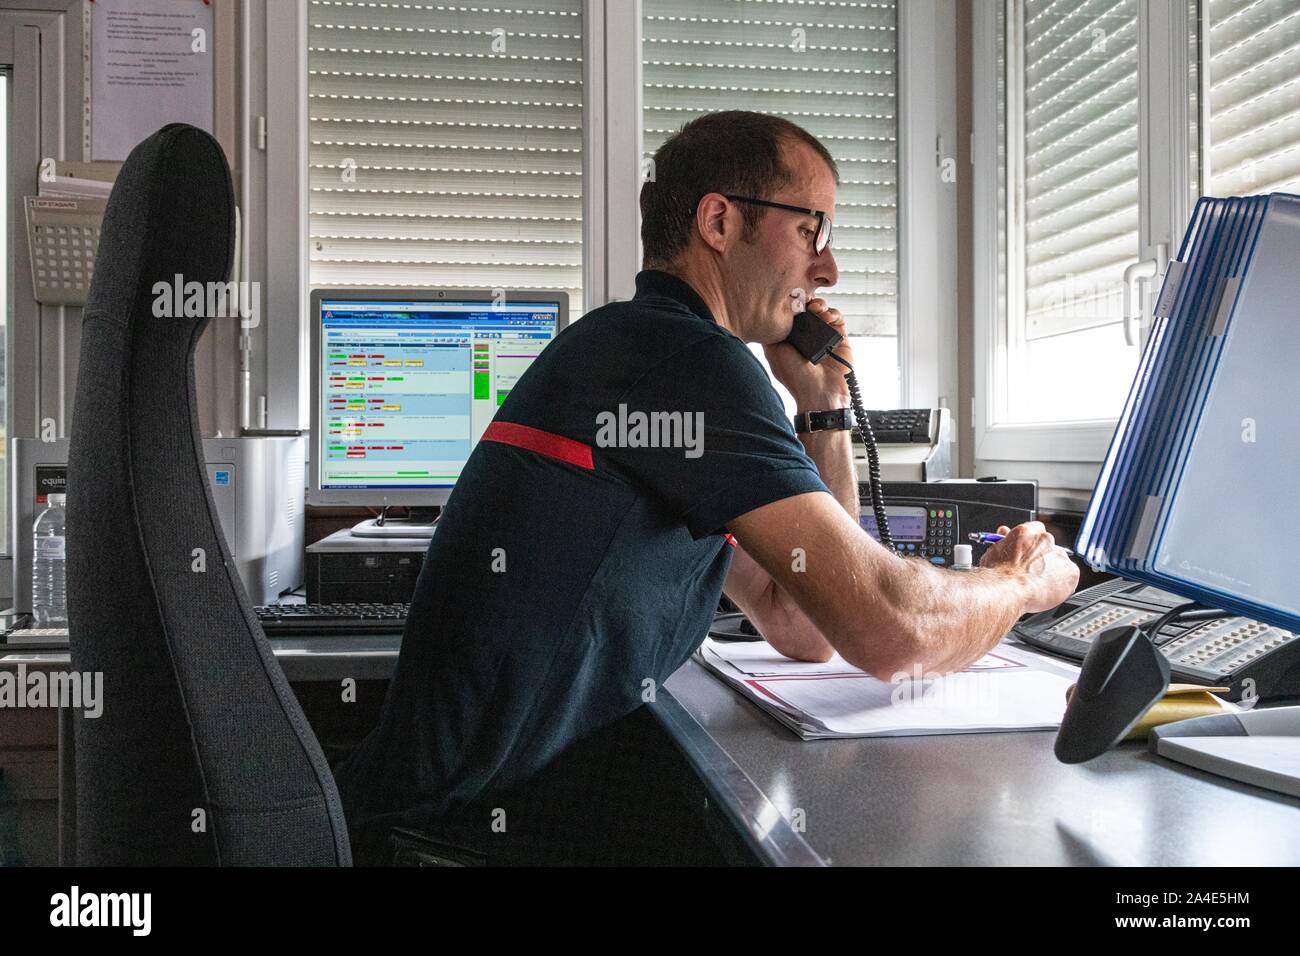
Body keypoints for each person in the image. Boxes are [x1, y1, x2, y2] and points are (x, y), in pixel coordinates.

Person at [335, 110, 1078, 864]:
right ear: (719, 222)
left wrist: (822, 410)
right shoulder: (686, 360)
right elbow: (892, 629)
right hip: (455, 836)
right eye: (811, 231)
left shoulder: (641, 348)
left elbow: (804, 625)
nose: (827, 271)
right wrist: (1022, 583)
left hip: (460, 814)